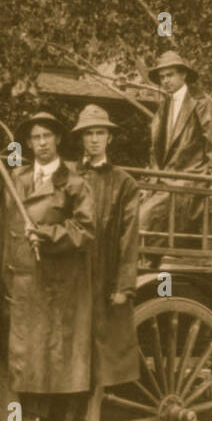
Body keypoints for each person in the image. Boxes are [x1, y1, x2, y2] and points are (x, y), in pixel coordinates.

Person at [0, 110, 95, 421]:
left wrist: (50, 234)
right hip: (17, 277)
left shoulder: (74, 182)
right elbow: (2, 230)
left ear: (58, 139)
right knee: (11, 350)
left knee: (41, 354)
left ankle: (41, 419)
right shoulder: (16, 178)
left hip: (54, 281)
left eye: (46, 137)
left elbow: (85, 230)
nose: (40, 144)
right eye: (35, 138)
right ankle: (15, 417)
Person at [66, 105, 141, 402]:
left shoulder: (124, 183)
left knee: (99, 347)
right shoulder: (68, 175)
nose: (94, 139)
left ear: (109, 138)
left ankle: (91, 418)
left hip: (103, 271)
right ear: (82, 139)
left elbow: (129, 236)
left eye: (100, 133)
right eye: (88, 134)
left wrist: (124, 284)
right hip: (70, 269)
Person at [138, 50, 212, 246]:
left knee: (141, 223)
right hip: (163, 185)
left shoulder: (201, 104)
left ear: (184, 75)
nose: (165, 81)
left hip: (190, 185)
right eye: (162, 77)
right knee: (125, 216)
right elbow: (156, 154)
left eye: (170, 75)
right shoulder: (164, 107)